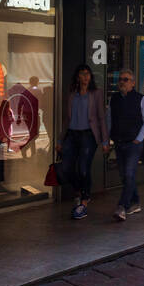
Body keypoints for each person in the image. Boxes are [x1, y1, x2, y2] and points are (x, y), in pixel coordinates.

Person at [60, 63, 108, 219]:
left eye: (88, 74)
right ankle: (79, 191)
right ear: (77, 76)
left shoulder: (96, 93)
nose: (85, 77)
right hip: (72, 134)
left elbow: (101, 117)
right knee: (66, 168)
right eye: (82, 74)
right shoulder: (72, 93)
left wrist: (105, 141)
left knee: (83, 168)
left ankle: (85, 201)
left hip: (88, 135)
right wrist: (60, 140)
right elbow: (67, 119)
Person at [108, 69, 144, 221]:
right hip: (119, 142)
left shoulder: (141, 99)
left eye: (125, 79)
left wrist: (138, 139)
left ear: (132, 83)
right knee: (125, 176)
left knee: (128, 173)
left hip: (134, 144)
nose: (122, 82)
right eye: (120, 79)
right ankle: (135, 202)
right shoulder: (114, 99)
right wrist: (107, 139)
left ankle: (122, 207)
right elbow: (109, 120)